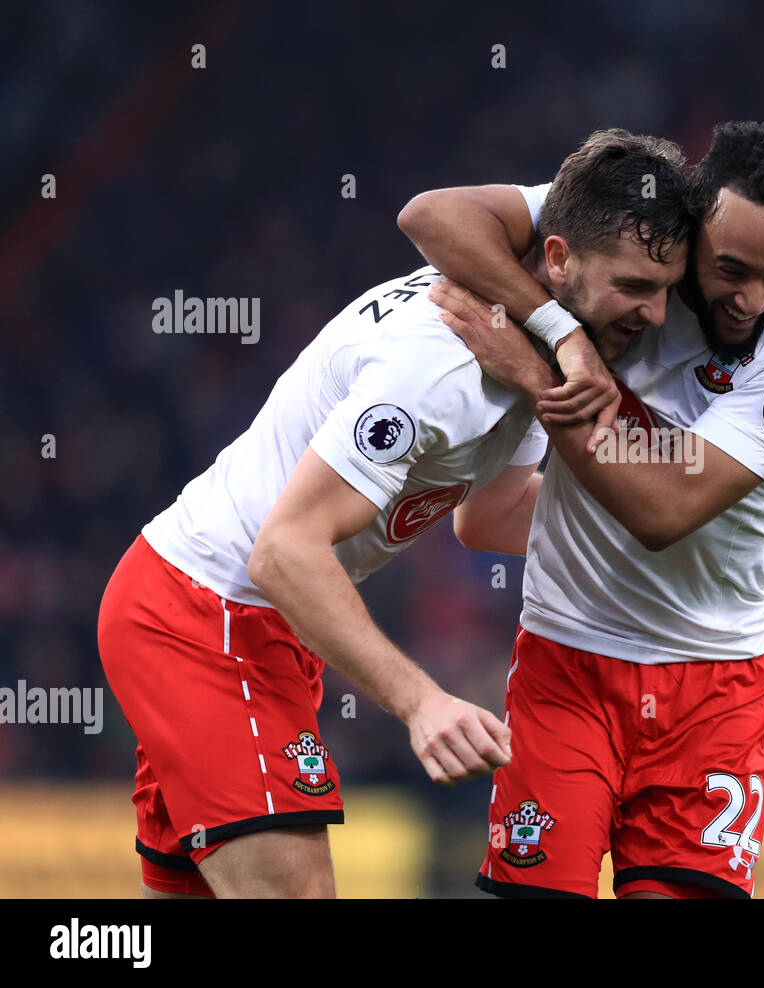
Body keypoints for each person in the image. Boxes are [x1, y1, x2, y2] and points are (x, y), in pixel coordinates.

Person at [96, 129, 692, 898]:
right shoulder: (441, 368)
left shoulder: (530, 343)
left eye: (668, 289)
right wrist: (423, 702)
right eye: (636, 286)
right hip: (204, 615)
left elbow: (493, 514)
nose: (655, 312)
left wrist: (685, 535)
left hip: (270, 624)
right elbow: (282, 551)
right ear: (557, 260)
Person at [400, 121, 764, 898]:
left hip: (713, 691)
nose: (752, 301)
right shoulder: (643, 238)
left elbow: (662, 510)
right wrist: (558, 334)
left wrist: (533, 371)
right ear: (691, 225)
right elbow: (430, 216)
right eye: (732, 269)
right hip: (568, 662)